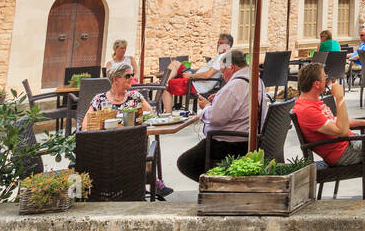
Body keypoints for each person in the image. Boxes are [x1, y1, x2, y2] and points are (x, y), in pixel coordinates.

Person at [176, 50, 269, 182]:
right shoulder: (256, 80)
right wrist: (219, 99)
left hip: (231, 143)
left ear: (231, 67)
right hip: (249, 138)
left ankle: (218, 186)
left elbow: (215, 119)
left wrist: (206, 107)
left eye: (223, 70)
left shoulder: (235, 85)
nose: (223, 75)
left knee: (186, 162)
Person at [293, 62, 365, 167]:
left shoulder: (312, 101)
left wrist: (364, 122)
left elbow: (334, 121)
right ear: (317, 84)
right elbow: (343, 131)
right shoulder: (307, 110)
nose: (328, 81)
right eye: (325, 77)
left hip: (351, 144)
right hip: (344, 153)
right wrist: (339, 98)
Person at [161, 33, 232, 113]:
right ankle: (164, 82)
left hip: (196, 84)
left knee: (165, 88)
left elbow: (208, 75)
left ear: (227, 46)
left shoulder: (224, 57)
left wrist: (191, 75)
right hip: (196, 79)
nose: (218, 45)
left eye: (221, 43)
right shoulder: (223, 56)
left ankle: (168, 114)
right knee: (175, 63)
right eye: (218, 42)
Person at [81, 61, 153, 130]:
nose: (131, 78)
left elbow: (151, 116)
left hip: (133, 139)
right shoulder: (99, 99)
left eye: (132, 75)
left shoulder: (135, 96)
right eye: (127, 76)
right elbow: (85, 126)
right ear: (115, 79)